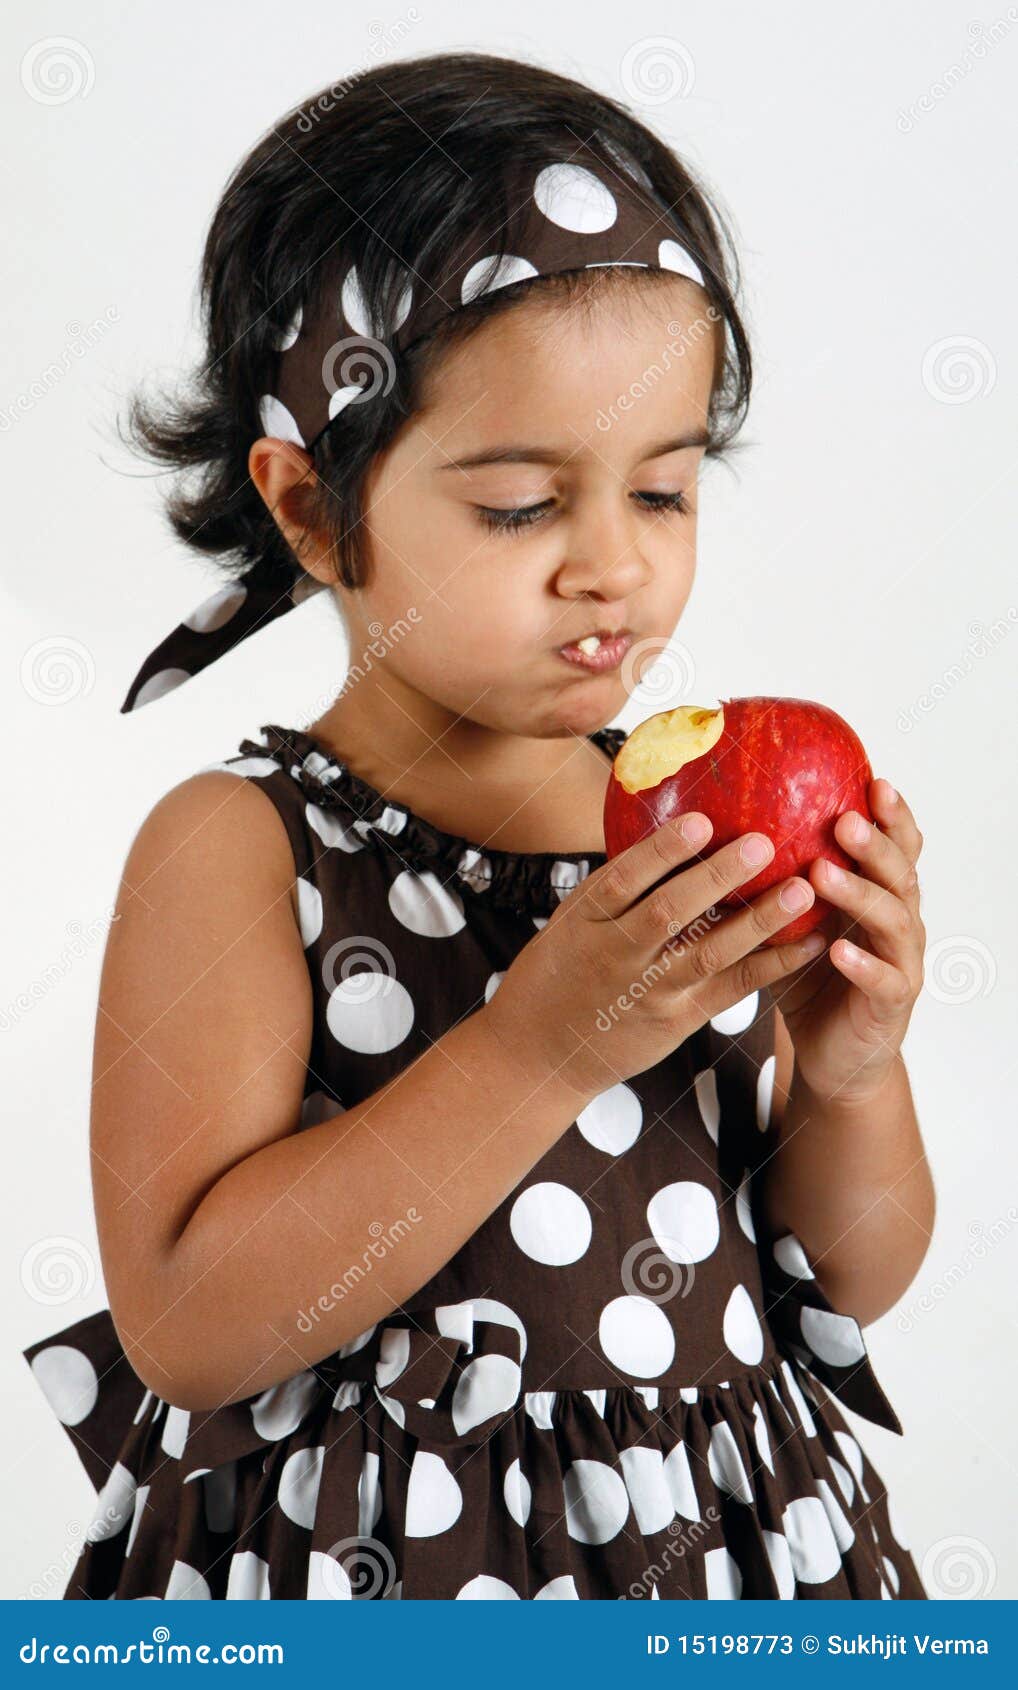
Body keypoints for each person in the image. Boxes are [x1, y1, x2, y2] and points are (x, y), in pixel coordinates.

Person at [22, 50, 934, 1600]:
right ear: (313, 509)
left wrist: (848, 1072)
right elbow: (187, 1323)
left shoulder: (673, 834)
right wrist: (539, 1047)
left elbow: (843, 1276)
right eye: (518, 507)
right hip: (382, 1570)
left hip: (713, 1563)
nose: (612, 568)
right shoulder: (245, 845)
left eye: (662, 492)